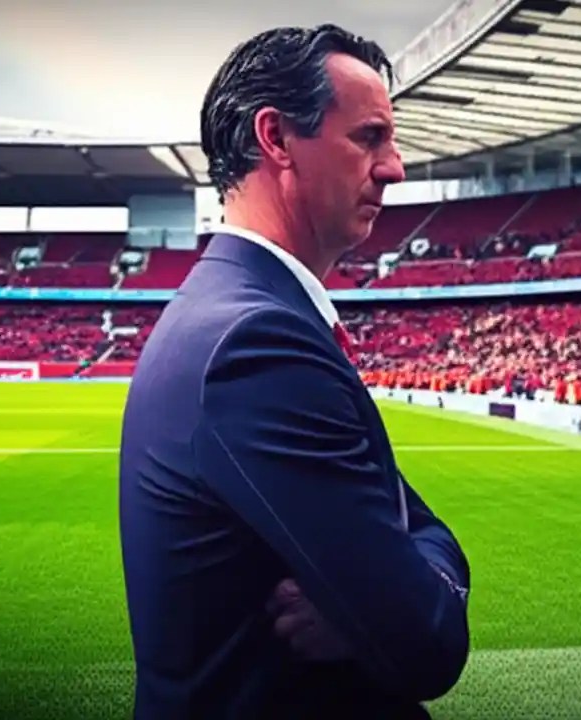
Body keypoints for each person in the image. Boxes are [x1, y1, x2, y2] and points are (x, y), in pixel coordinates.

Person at [118, 25, 470, 719]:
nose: (395, 168)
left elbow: (412, 532)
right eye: (369, 138)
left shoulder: (234, 313)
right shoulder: (258, 343)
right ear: (277, 138)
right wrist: (406, 586)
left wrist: (390, 584)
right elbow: (424, 641)